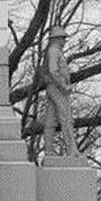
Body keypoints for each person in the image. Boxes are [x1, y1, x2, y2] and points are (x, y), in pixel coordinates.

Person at [40, 25, 78, 156]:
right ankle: (72, 150)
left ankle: (49, 150)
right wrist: (63, 85)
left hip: (53, 87)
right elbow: (52, 71)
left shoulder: (54, 51)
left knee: (50, 120)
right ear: (56, 39)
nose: (64, 41)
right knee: (66, 119)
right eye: (63, 38)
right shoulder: (54, 51)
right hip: (57, 88)